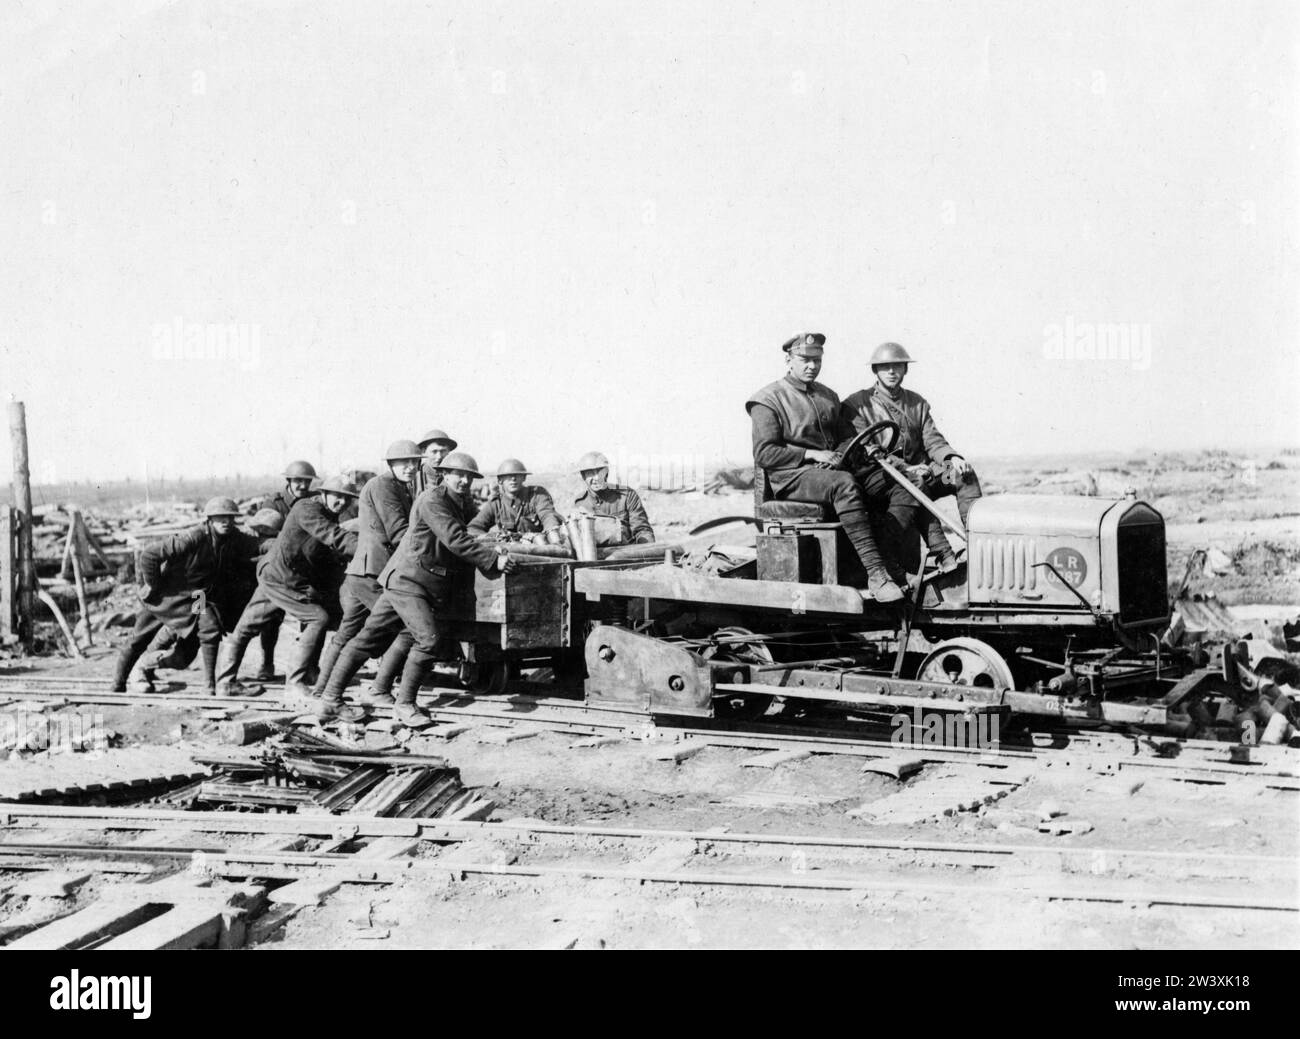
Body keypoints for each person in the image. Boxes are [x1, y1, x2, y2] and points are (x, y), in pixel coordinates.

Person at [317, 452, 516, 725]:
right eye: (458, 475)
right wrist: (493, 559)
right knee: (428, 640)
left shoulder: (458, 501)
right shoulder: (433, 499)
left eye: (469, 477)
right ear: (444, 474)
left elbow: (469, 529)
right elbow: (454, 538)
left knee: (370, 638)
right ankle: (405, 705)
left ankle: (331, 700)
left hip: (409, 580)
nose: (464, 481)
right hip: (410, 581)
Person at [745, 332, 904, 602]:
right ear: (788, 359)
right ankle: (877, 574)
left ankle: (898, 563)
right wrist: (810, 454)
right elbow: (765, 453)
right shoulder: (768, 399)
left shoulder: (828, 397)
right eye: (804, 359)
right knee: (844, 484)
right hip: (790, 479)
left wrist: (848, 452)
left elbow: (843, 439)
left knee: (892, 482)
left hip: (829, 474)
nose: (811, 366)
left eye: (817, 360)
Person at [841, 342, 981, 574]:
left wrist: (951, 456)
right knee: (915, 484)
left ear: (906, 369)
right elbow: (870, 451)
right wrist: (908, 469)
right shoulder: (857, 405)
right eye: (885, 367)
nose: (892, 371)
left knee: (962, 474)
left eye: (897, 366)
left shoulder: (917, 403)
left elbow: (933, 439)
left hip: (924, 472)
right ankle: (943, 554)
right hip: (887, 480)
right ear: (875, 371)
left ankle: (977, 546)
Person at [215, 476, 359, 697]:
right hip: (281, 578)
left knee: (246, 627)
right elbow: (333, 536)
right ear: (324, 494)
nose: (342, 503)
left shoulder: (329, 514)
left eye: (347, 500)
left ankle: (228, 683)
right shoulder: (307, 508)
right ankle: (294, 684)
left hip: (283, 577)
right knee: (317, 618)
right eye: (338, 497)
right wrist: (366, 551)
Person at [312, 440, 421, 705]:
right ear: (390, 464)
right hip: (375, 572)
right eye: (403, 462)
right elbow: (399, 532)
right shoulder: (383, 486)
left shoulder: (400, 487)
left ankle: (321, 691)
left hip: (363, 572)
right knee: (408, 628)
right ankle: (379, 689)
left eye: (414, 462)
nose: (410, 467)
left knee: (348, 632)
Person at [110, 497, 253, 695]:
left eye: (230, 517)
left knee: (208, 629)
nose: (226, 522)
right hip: (166, 595)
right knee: (139, 638)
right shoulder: (192, 537)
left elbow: (256, 545)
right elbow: (150, 555)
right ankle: (118, 684)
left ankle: (209, 686)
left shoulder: (233, 537)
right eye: (220, 517)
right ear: (209, 520)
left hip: (196, 595)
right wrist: (153, 585)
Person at [469, 459, 564, 543]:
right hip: (511, 552)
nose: (513, 479)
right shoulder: (496, 504)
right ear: (500, 480)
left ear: (524, 477)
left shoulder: (537, 495)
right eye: (508, 476)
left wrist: (552, 533)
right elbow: (473, 528)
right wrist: (493, 538)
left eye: (517, 475)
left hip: (540, 546)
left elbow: (548, 515)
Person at [572, 451, 654, 546]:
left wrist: (647, 550)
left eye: (599, 471)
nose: (596, 477)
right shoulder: (580, 503)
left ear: (606, 472)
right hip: (596, 556)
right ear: (583, 476)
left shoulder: (627, 495)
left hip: (626, 554)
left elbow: (642, 530)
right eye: (590, 472)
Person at [415, 429, 457, 493]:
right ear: (424, 451)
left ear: (448, 452)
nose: (439, 456)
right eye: (434, 451)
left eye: (443, 451)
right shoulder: (413, 477)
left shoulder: (456, 477)